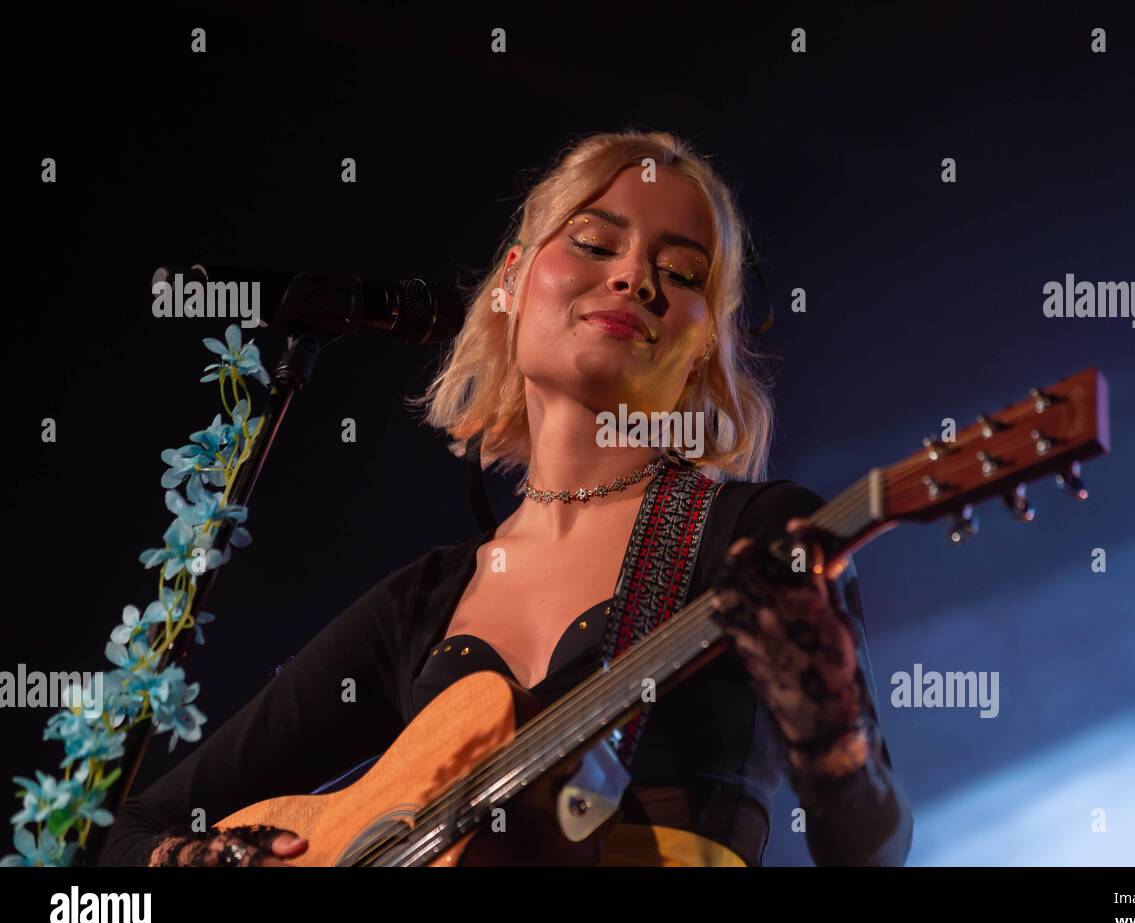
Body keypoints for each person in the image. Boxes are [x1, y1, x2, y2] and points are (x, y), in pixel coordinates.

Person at [97, 130, 913, 868]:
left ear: (704, 349)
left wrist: (834, 732)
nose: (633, 277)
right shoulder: (423, 602)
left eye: (682, 274)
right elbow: (132, 831)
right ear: (513, 285)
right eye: (594, 242)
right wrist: (190, 862)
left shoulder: (755, 536)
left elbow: (874, 853)